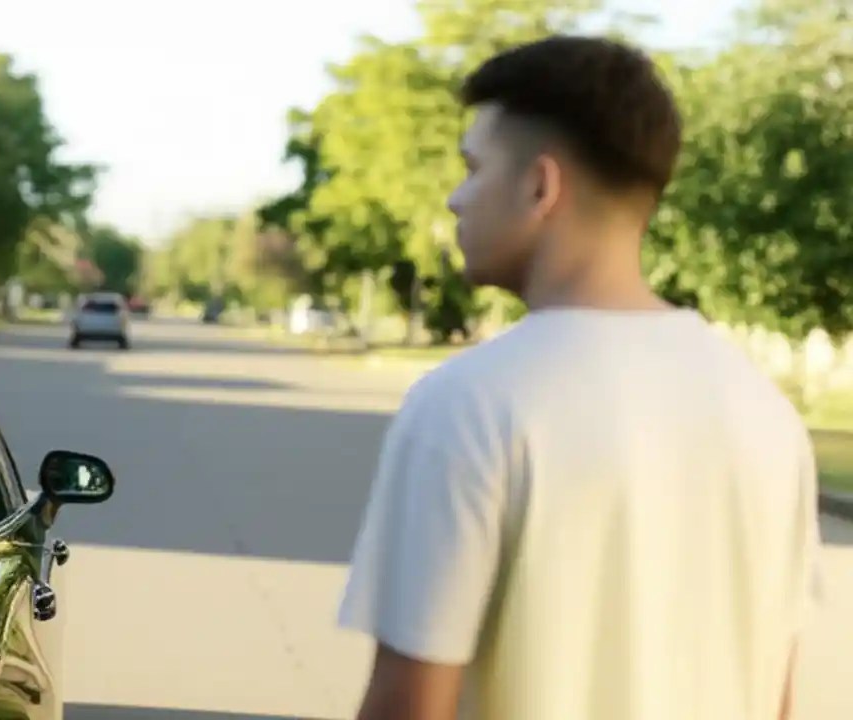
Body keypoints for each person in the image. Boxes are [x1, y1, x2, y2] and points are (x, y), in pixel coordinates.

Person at [338, 35, 821, 720]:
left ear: (540, 185)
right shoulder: (765, 412)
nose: (454, 198)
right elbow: (776, 698)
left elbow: (409, 706)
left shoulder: (470, 403)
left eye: (473, 168)